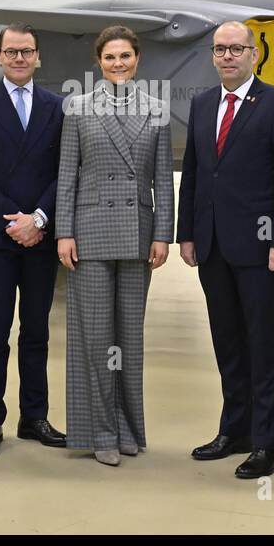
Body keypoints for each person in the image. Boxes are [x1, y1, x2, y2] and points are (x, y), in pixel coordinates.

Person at [177, 21, 274, 479]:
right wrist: (186, 233)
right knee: (228, 343)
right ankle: (236, 430)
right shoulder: (203, 103)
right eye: (220, 49)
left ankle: (270, 444)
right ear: (213, 57)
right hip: (212, 247)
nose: (228, 56)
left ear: (255, 54)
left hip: (261, 249)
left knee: (263, 346)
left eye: (237, 49)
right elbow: (194, 173)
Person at [56, 25, 173, 467]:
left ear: (137, 59)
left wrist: (163, 233)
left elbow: (163, 179)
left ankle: (127, 428)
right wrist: (64, 233)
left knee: (129, 340)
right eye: (110, 57)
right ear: (98, 62)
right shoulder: (78, 109)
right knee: (95, 338)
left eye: (125, 56)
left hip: (138, 235)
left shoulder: (157, 111)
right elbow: (67, 177)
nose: (118, 64)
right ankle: (101, 430)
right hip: (89, 234)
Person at [0, 23, 67, 458]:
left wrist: (38, 219)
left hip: (40, 237)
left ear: (38, 56)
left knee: (37, 332)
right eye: (11, 52)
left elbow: (65, 170)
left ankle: (34, 417)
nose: (19, 59)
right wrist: (13, 221)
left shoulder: (57, 107)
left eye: (27, 52)